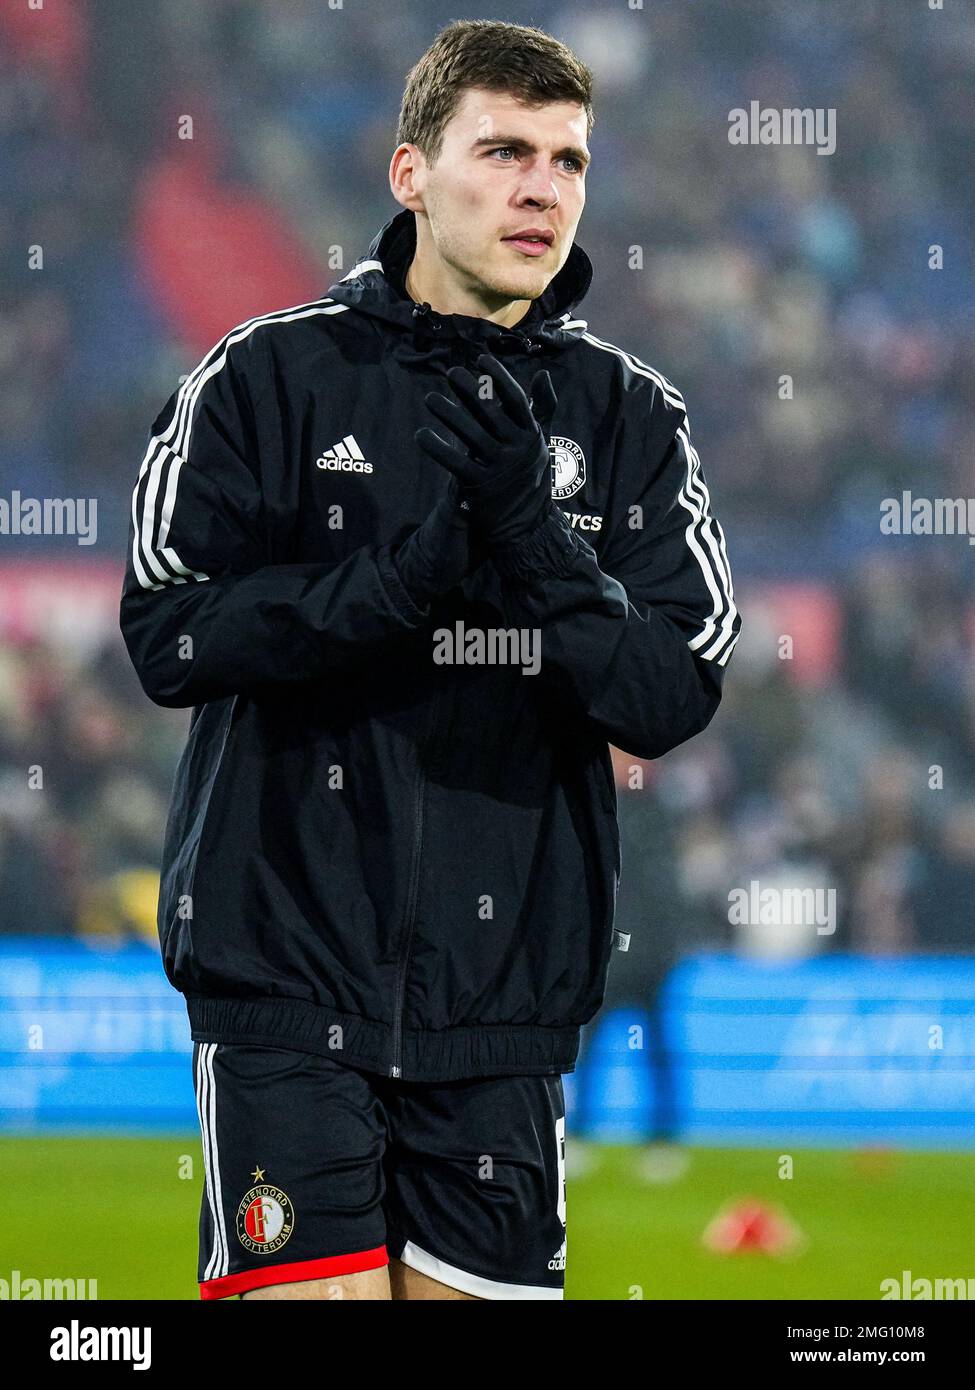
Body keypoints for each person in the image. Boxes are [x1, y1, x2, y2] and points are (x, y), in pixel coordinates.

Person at [119, 18, 740, 1301]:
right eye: (504, 150)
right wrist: (394, 585)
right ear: (410, 173)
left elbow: (671, 690)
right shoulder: (265, 380)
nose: (541, 188)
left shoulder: (628, 418)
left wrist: (535, 541)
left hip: (507, 1016)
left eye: (568, 161)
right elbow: (169, 631)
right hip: (285, 982)